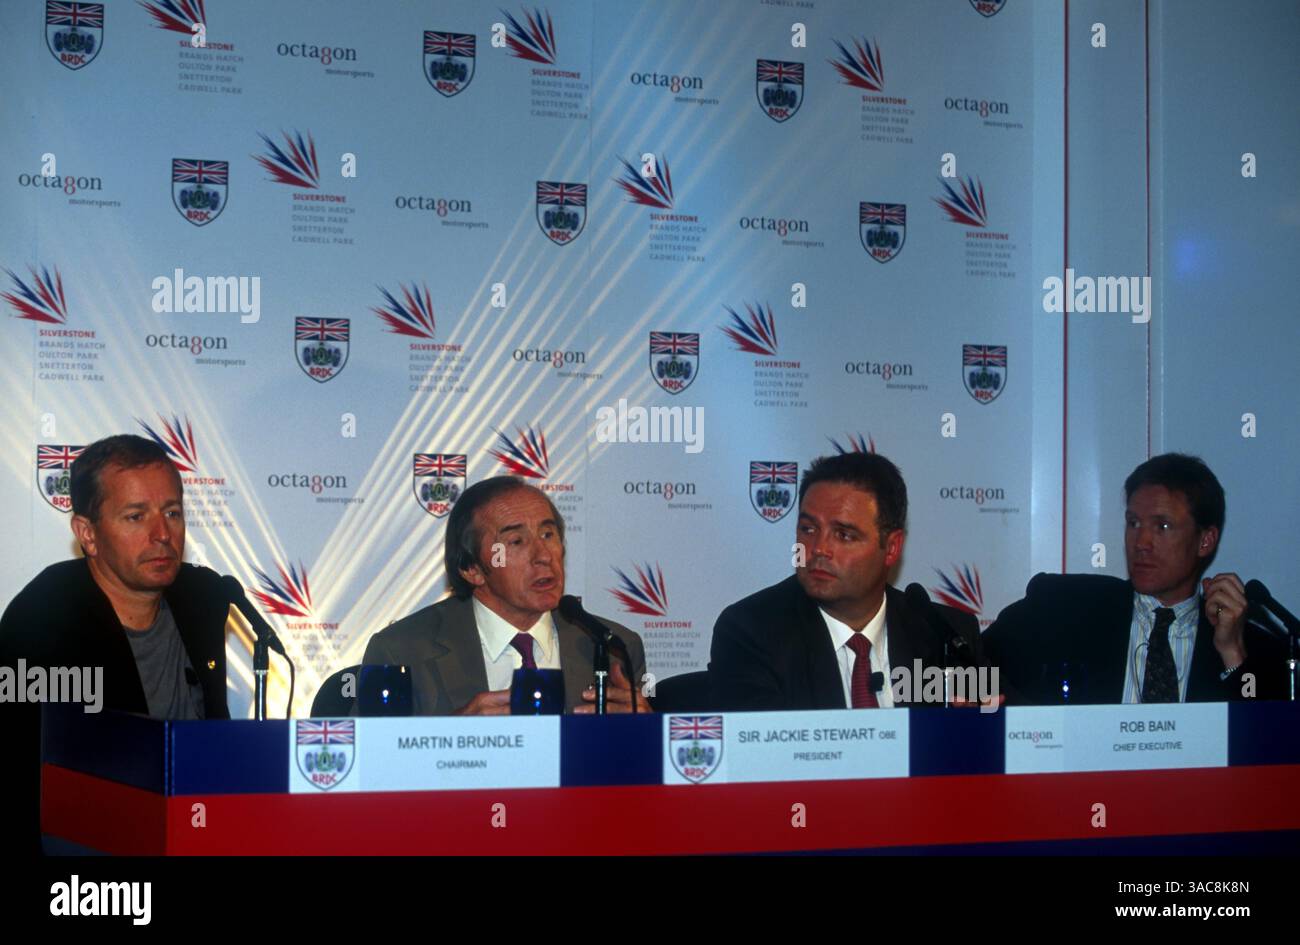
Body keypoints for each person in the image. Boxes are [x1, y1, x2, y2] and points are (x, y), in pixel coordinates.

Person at [0, 434, 231, 853]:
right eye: (136, 516)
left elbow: (215, 734)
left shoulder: (203, 599)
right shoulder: (42, 618)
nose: (162, 533)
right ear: (87, 534)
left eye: (172, 512)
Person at [983, 453, 1288, 704]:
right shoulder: (1062, 607)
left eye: (1162, 526)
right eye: (1133, 523)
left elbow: (1267, 750)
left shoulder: (1256, 651)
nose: (1141, 542)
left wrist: (1232, 654)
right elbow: (966, 664)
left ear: (1205, 541)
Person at [709, 452, 986, 711]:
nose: (818, 548)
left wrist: (973, 730)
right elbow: (767, 757)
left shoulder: (948, 637)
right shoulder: (752, 633)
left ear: (891, 547)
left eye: (843, 535)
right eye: (808, 529)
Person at [362, 476, 650, 715]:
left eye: (548, 535)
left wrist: (645, 734)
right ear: (472, 568)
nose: (543, 556)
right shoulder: (400, 651)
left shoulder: (612, 647)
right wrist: (448, 740)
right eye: (516, 541)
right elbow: (368, 769)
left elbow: (641, 774)